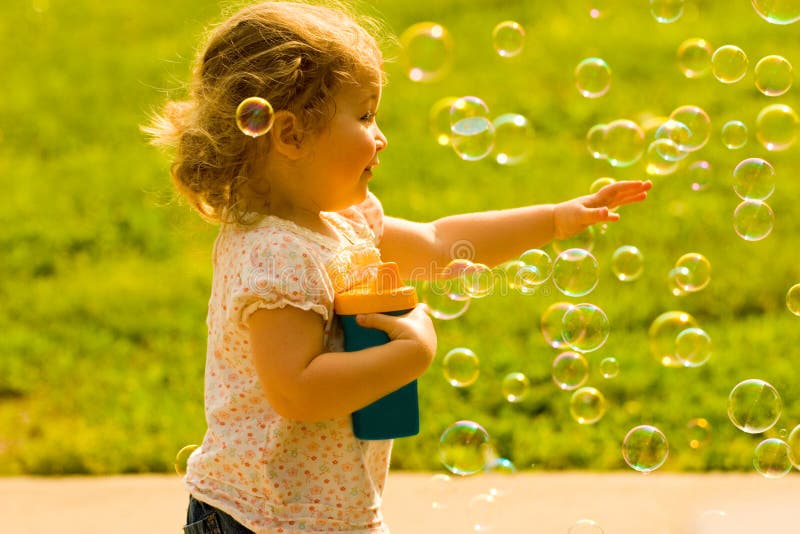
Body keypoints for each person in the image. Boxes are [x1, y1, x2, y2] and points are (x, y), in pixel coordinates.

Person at [144, 1, 651, 532]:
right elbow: (298, 389)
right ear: (290, 135)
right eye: (363, 115)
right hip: (261, 519)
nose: (381, 135)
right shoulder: (274, 255)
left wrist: (554, 219)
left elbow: (439, 243)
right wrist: (412, 353)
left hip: (316, 514)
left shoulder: (342, 220)